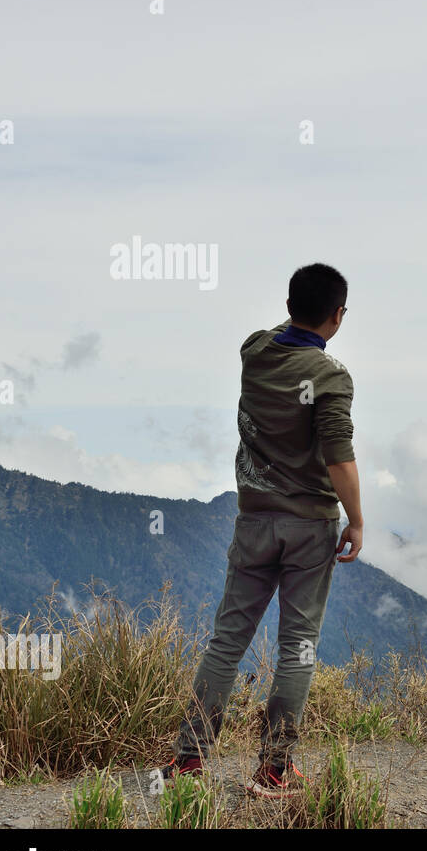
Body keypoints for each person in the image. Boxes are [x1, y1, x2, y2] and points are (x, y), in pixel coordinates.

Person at [164, 263, 363, 798]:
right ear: (338, 316)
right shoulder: (331, 376)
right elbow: (338, 456)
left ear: (289, 304)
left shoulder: (255, 351)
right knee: (297, 645)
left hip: (254, 519)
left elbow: (281, 330)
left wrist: (304, 313)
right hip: (309, 526)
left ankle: (188, 761)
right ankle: (273, 770)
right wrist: (358, 520)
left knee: (226, 642)